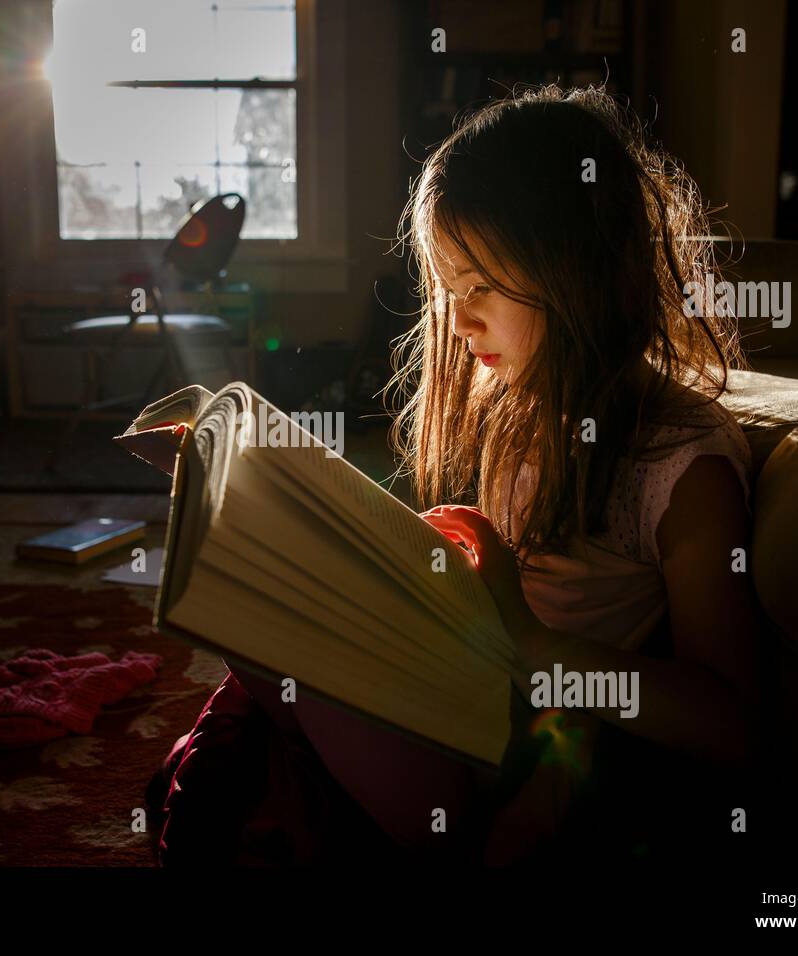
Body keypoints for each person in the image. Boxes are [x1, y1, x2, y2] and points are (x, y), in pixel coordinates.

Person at [155, 85, 760, 864]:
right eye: (448, 292)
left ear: (578, 268)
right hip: (459, 696)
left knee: (297, 654)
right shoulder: (524, 403)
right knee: (254, 600)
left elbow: (732, 723)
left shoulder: (683, 468)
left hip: (514, 759)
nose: (461, 319)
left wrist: (528, 639)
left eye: (481, 288)